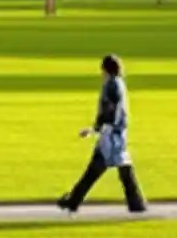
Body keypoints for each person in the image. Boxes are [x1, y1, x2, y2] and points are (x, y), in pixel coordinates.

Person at [57, 54, 148, 214]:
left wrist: (95, 129)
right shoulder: (118, 83)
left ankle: (73, 201)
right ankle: (136, 203)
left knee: (95, 170)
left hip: (110, 135)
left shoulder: (111, 85)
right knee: (123, 170)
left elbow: (109, 111)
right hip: (118, 134)